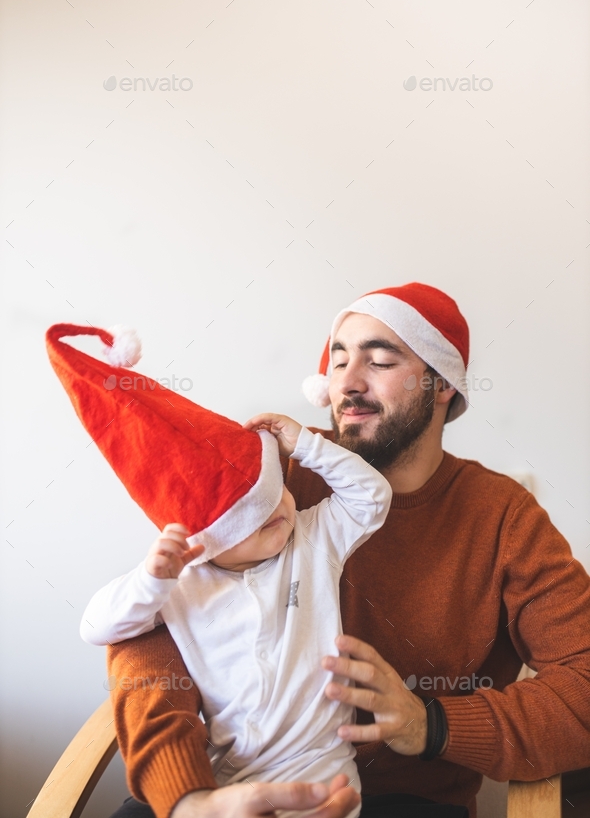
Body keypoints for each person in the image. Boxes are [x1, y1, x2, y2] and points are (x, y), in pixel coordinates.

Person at [103, 282, 590, 818]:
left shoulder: (502, 517)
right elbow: (151, 628)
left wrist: (429, 724)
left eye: (380, 360)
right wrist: (189, 796)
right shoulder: (275, 482)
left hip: (405, 803)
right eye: (337, 363)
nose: (349, 384)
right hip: (233, 791)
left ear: (442, 384)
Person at [81, 412, 392, 818]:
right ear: (205, 535)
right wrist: (150, 581)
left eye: (274, 488)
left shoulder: (314, 539)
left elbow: (372, 496)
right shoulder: (181, 586)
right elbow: (95, 627)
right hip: (231, 778)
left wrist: (305, 446)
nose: (275, 508)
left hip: (322, 765)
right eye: (248, 509)